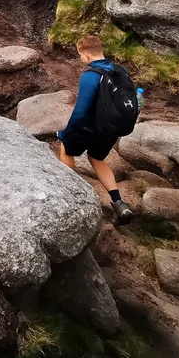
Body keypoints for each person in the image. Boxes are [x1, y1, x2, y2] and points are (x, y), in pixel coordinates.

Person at [56, 35, 140, 225]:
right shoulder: (121, 71)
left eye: (80, 56)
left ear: (85, 56)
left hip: (91, 126)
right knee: (96, 158)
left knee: (66, 147)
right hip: (112, 128)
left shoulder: (91, 76)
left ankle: (70, 196)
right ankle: (118, 203)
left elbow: (80, 111)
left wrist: (66, 132)